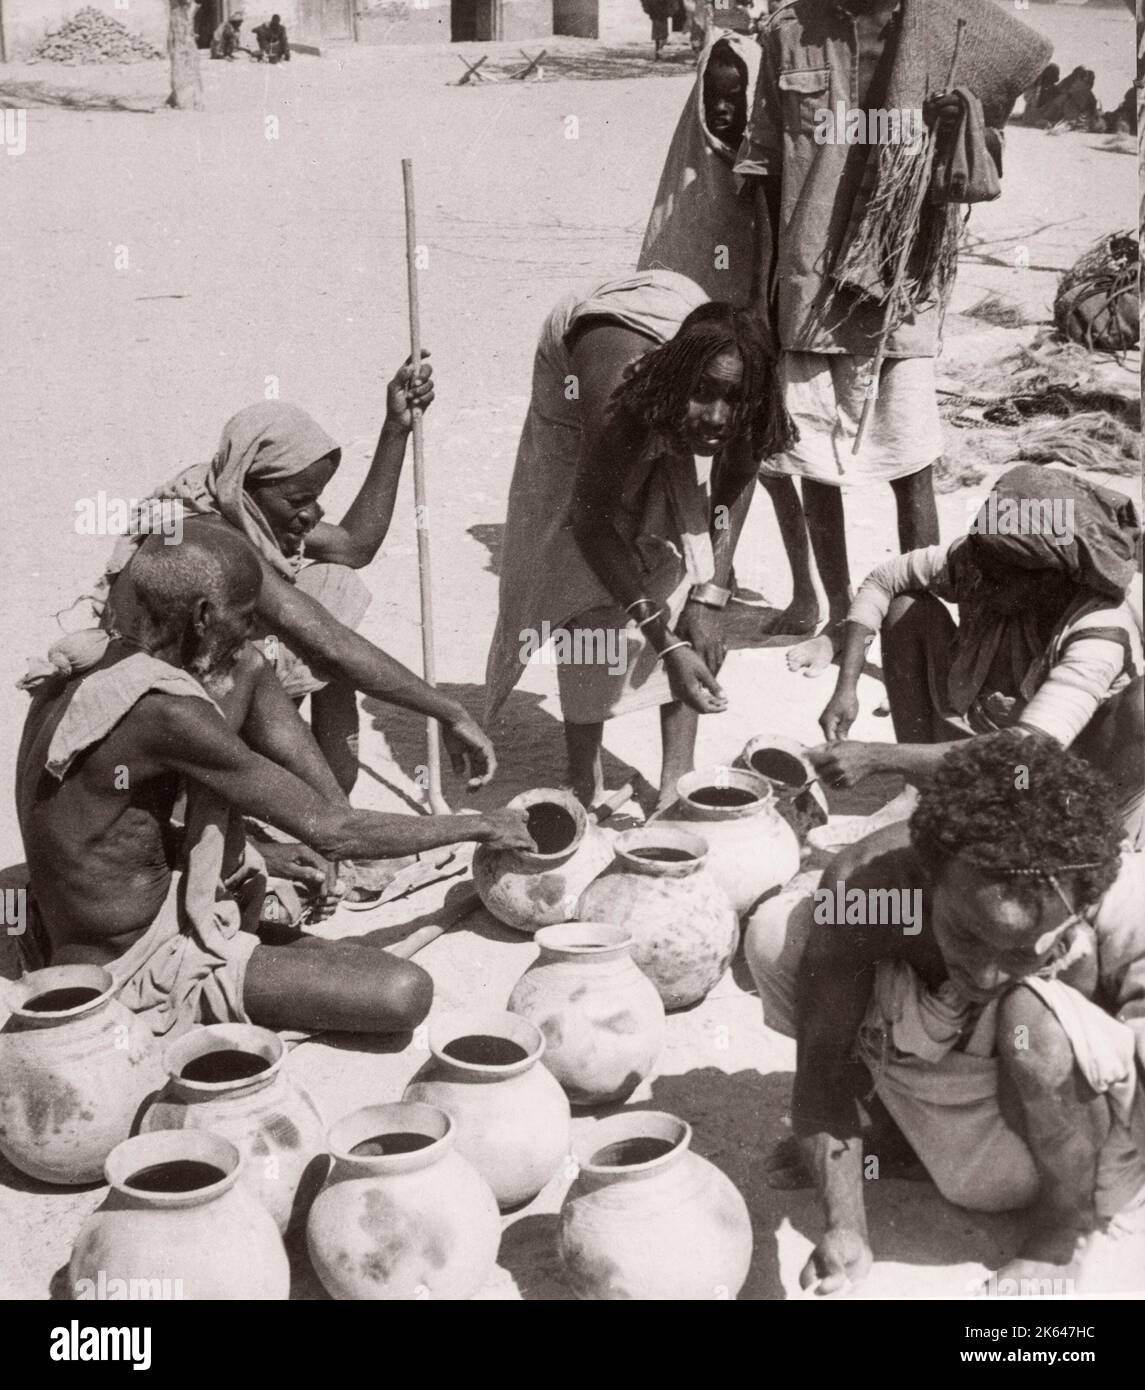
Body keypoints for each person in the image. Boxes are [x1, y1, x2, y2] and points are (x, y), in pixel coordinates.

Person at [11, 527, 533, 1038]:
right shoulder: (164, 714)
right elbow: (335, 831)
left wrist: (273, 856)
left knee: (246, 669)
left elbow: (106, 831)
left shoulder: (89, 665)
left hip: (100, 915)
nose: (251, 633)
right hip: (130, 961)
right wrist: (482, 828)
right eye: (245, 619)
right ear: (202, 616)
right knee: (402, 990)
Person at [746, 732, 1145, 1295]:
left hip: (1044, 1129)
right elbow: (821, 1066)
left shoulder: (1112, 887)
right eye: (966, 933)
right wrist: (846, 1227)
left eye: (1019, 949)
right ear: (929, 876)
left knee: (1033, 1013)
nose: (984, 975)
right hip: (956, 1090)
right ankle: (894, 1141)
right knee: (778, 933)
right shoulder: (872, 885)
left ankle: (1061, 1232)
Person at [734, 0, 1049, 672]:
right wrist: (764, 287)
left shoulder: (950, 32)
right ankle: (842, 618)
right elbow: (761, 163)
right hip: (807, 278)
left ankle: (923, 621)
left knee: (908, 468)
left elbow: (987, 151)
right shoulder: (790, 34)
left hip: (900, 281)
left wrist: (959, 123)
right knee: (816, 466)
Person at [93, 360, 496, 801]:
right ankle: (315, 805)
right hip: (156, 719)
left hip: (193, 689)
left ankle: (329, 795)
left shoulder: (221, 492)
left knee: (329, 582)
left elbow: (353, 547)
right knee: (318, 639)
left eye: (317, 498)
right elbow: (330, 645)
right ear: (246, 485)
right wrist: (449, 712)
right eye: (300, 500)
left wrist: (395, 429)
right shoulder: (212, 538)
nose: (312, 515)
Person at [484, 270, 792, 813]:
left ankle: (678, 778)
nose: (718, 417)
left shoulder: (749, 386)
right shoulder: (620, 395)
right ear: (676, 382)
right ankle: (584, 778)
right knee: (579, 581)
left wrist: (710, 596)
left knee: (682, 556)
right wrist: (665, 643)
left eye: (733, 400)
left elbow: (732, 490)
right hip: (581, 384)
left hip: (677, 324)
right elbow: (592, 522)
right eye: (702, 395)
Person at [811, 466, 1145, 848]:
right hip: (984, 742)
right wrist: (847, 686)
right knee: (906, 608)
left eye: (995, 577)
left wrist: (876, 756)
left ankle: (1075, 837)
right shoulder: (986, 562)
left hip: (1045, 772)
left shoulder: (1098, 633)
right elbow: (884, 579)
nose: (979, 583)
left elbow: (1026, 751)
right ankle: (918, 794)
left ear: (1050, 577)